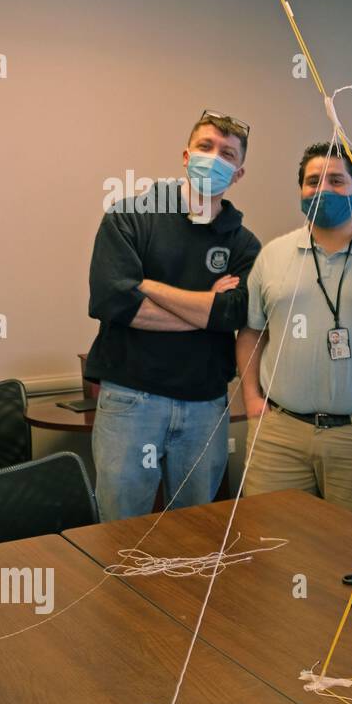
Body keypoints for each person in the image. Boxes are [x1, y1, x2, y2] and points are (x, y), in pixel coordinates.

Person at [86, 110, 260, 521]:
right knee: (120, 534)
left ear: (238, 174)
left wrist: (146, 285)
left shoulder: (244, 242)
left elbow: (236, 312)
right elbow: (113, 301)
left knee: (197, 534)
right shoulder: (130, 217)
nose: (214, 159)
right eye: (205, 147)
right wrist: (207, 308)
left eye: (227, 154)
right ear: (185, 156)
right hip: (131, 399)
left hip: (205, 405)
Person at [237, 142, 352, 518]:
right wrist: (251, 397)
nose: (323, 189)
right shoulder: (273, 255)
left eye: (336, 180)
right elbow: (252, 332)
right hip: (280, 435)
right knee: (273, 545)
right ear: (300, 191)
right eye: (312, 181)